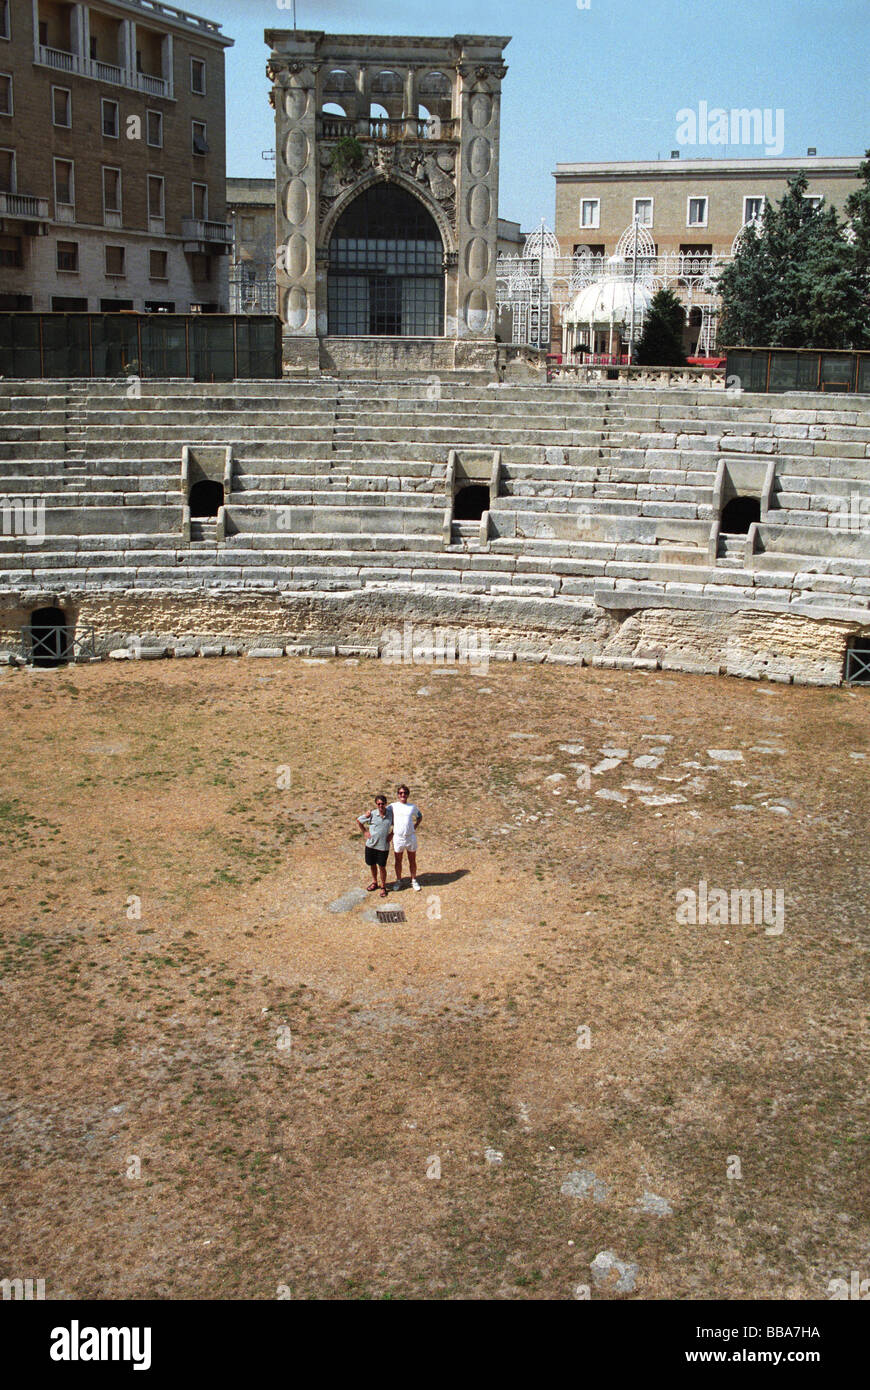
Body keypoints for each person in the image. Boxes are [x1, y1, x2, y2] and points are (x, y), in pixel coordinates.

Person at [356, 796, 393, 898]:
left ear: (386, 803)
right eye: (378, 804)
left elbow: (397, 825)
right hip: (371, 845)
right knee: (372, 864)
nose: (381, 806)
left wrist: (392, 834)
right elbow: (359, 821)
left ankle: (383, 886)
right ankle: (374, 882)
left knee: (382, 867)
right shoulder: (372, 814)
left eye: (382, 803)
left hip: (383, 846)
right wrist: (364, 831)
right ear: (376, 804)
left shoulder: (390, 814)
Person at [390, 784, 423, 892]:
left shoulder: (412, 807)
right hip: (398, 838)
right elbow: (382, 813)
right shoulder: (393, 806)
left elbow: (419, 816)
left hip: (410, 837)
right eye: (400, 793)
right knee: (398, 860)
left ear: (408, 794)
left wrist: (415, 826)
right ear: (398, 795)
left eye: (404, 793)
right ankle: (399, 880)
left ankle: (413, 880)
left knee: (412, 859)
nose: (402, 795)